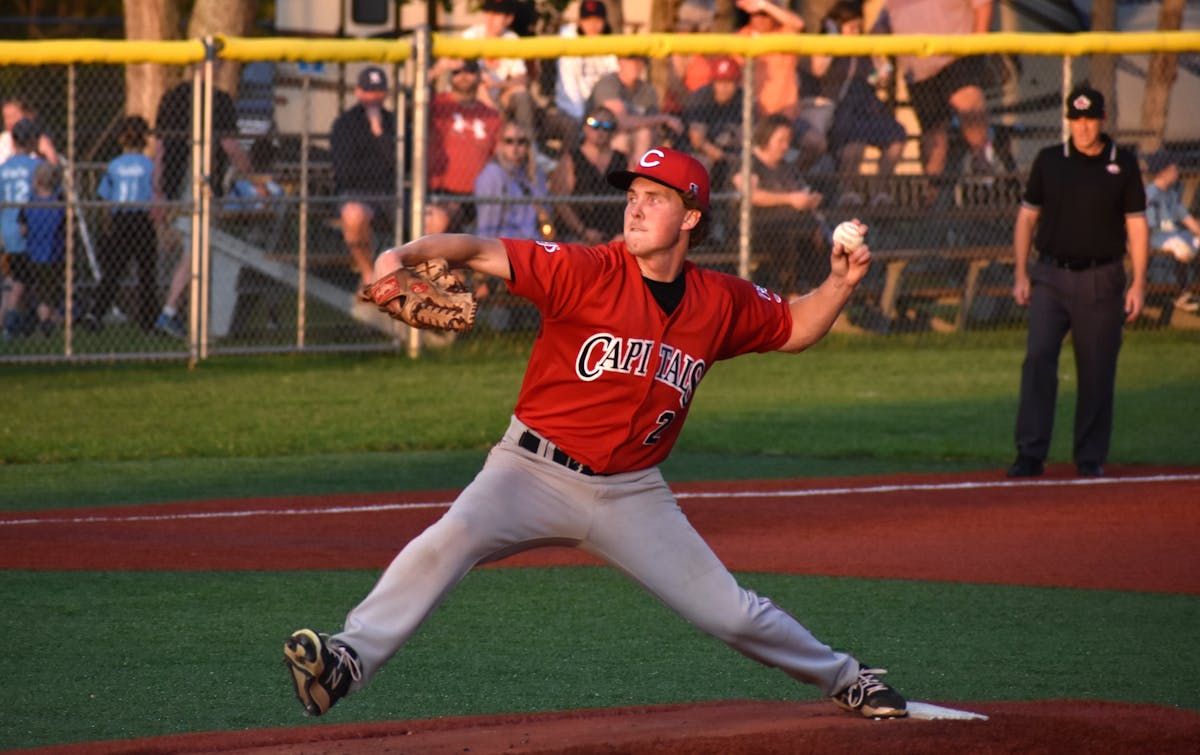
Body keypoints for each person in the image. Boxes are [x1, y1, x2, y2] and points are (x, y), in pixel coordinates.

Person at [283, 145, 907, 722]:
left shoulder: (720, 301)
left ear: (691, 217)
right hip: (527, 472)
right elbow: (473, 249)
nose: (635, 205)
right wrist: (399, 258)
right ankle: (344, 661)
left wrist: (841, 284)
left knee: (731, 612)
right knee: (448, 539)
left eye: (655, 197)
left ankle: (847, 677)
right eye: (632, 194)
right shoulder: (583, 270)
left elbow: (794, 325)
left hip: (633, 493)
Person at [1007, 86, 1148, 480]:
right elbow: (1026, 218)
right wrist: (1021, 273)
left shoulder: (1124, 162)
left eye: (1089, 119)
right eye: (1076, 119)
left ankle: (1089, 456)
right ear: (1068, 121)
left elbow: (1136, 225)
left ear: (1102, 120)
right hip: (1050, 276)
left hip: (1102, 277)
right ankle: (1030, 453)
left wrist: (1138, 283)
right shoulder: (1051, 160)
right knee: (1038, 358)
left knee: (1097, 368)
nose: (1083, 128)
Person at [152, 65, 255, 339]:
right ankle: (169, 312)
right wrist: (254, 178)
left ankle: (181, 313)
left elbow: (160, 150)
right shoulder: (217, 99)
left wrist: (159, 189)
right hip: (197, 181)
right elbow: (230, 147)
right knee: (195, 249)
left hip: (177, 183)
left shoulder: (172, 96)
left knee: (197, 248)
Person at [874, 0, 998, 182]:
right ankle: (932, 193)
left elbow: (983, 5)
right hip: (918, 72)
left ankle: (982, 155)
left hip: (956, 56)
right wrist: (883, 65)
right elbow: (879, 29)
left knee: (965, 98)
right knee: (933, 133)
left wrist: (977, 46)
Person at [808, 1, 907, 192]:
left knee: (896, 137)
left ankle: (880, 191)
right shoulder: (828, 45)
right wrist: (833, 38)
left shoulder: (864, 50)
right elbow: (818, 69)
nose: (855, 32)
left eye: (858, 27)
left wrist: (880, 68)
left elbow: (881, 76)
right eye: (850, 27)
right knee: (854, 145)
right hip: (840, 109)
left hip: (867, 106)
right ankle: (848, 192)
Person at [732, 114, 826, 296]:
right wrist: (790, 199)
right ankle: (790, 293)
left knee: (818, 231)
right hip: (755, 228)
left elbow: (801, 192)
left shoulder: (787, 167)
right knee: (784, 234)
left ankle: (820, 292)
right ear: (766, 136)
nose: (786, 146)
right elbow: (750, 195)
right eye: (780, 140)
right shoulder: (747, 163)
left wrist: (809, 201)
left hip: (790, 225)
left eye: (788, 140)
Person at [329, 66, 399, 288]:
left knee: (429, 217)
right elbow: (344, 171)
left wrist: (378, 133)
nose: (373, 97)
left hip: (389, 194)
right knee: (353, 214)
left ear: (386, 92)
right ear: (358, 92)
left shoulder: (393, 122)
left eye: (378, 91)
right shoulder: (345, 123)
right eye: (368, 91)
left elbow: (397, 163)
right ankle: (369, 276)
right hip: (356, 193)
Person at [89, 115, 158, 333]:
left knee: (113, 270)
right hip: (142, 219)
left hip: (121, 219)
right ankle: (147, 320)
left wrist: (107, 225)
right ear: (145, 138)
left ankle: (96, 313)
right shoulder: (150, 165)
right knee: (146, 271)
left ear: (121, 139)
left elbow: (106, 200)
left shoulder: (114, 165)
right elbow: (154, 195)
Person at [735, 0, 822, 166]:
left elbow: (798, 23)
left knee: (815, 143)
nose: (761, 19)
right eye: (757, 15)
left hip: (787, 116)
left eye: (766, 15)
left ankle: (789, 175)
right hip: (757, 117)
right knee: (742, 144)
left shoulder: (784, 34)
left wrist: (765, 5)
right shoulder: (744, 36)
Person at [429, 59, 502, 233]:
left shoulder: (491, 114)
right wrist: (438, 69)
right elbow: (410, 98)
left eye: (469, 71)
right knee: (437, 220)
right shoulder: (437, 105)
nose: (463, 76)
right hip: (441, 192)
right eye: (457, 72)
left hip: (478, 197)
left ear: (479, 76)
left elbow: (501, 154)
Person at [547, 0, 619, 153]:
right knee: (572, 129)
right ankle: (570, 171)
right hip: (570, 110)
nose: (592, 25)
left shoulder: (610, 41)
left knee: (615, 133)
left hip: (600, 109)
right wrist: (583, 122)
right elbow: (570, 87)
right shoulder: (569, 39)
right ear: (580, 21)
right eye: (587, 20)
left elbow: (613, 79)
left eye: (597, 20)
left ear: (604, 22)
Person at [548, 105, 627, 244]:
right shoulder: (571, 159)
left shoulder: (623, 160)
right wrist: (582, 231)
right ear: (584, 127)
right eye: (594, 124)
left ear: (613, 131)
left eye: (607, 126)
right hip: (578, 236)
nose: (600, 130)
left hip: (616, 237)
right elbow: (560, 201)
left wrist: (625, 233)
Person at [587, 55, 683, 160]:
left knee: (645, 134)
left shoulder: (647, 90)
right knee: (622, 141)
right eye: (631, 60)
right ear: (620, 62)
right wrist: (664, 118)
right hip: (603, 137)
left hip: (636, 140)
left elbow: (654, 126)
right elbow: (621, 121)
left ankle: (639, 173)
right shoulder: (608, 83)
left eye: (640, 60)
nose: (636, 65)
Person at [0, 118, 42, 339]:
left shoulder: (3, 168)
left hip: (7, 227)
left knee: (18, 276)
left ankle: (24, 324)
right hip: (30, 228)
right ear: (33, 141)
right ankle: (7, 322)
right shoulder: (37, 167)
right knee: (21, 278)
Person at [1143, 150, 1200, 313]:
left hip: (1174, 235)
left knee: (1189, 242)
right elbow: (1148, 228)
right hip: (1157, 237)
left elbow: (1186, 218)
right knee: (1181, 247)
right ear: (1164, 171)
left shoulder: (1171, 194)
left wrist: (1197, 231)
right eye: (1174, 168)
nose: (1177, 171)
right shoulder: (1151, 195)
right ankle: (1184, 293)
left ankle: (1187, 292)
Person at [473, 121, 548, 240]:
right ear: (501, 145)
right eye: (509, 141)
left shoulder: (535, 174)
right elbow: (487, 225)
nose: (515, 148)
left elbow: (545, 213)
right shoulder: (493, 174)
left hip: (534, 241)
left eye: (521, 142)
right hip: (505, 244)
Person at [19, 161, 65, 336]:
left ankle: (45, 321)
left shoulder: (29, 204)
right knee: (50, 289)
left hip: (34, 253)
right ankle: (46, 321)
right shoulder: (58, 203)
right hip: (54, 253)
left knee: (41, 290)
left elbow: (23, 229)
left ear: (36, 181)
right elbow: (66, 227)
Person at [0, 98, 59, 166]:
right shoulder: (2, 141)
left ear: (29, 115)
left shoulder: (40, 139)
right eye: (6, 117)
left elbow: (53, 169)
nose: (10, 121)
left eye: (14, 116)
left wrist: (49, 154)